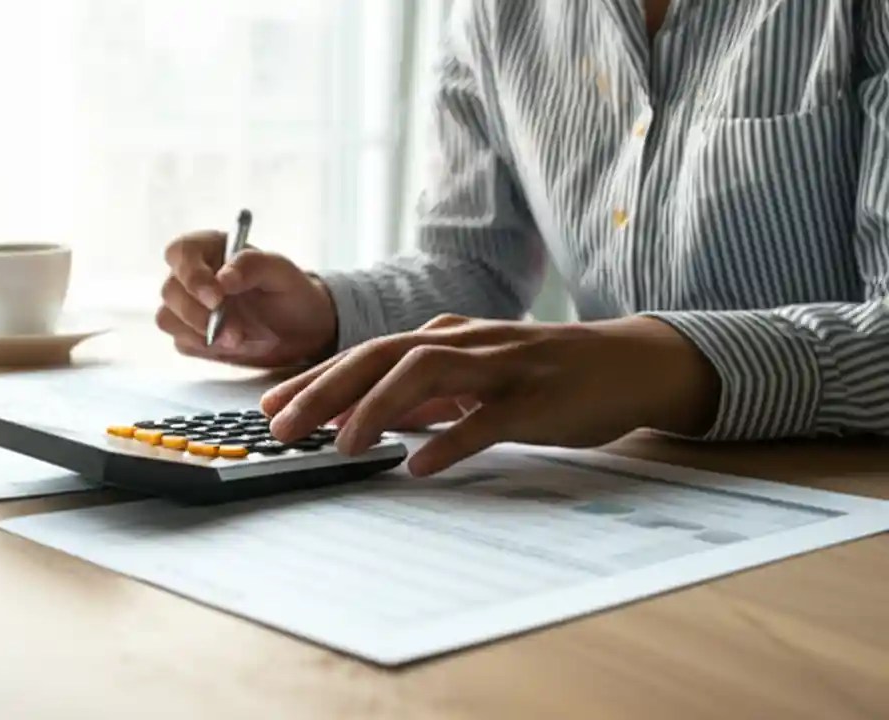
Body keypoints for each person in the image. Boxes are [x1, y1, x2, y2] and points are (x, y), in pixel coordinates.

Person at [156, 0, 889, 477]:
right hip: (626, 492)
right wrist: (327, 312)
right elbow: (475, 266)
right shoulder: (494, 15)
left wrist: (656, 363)